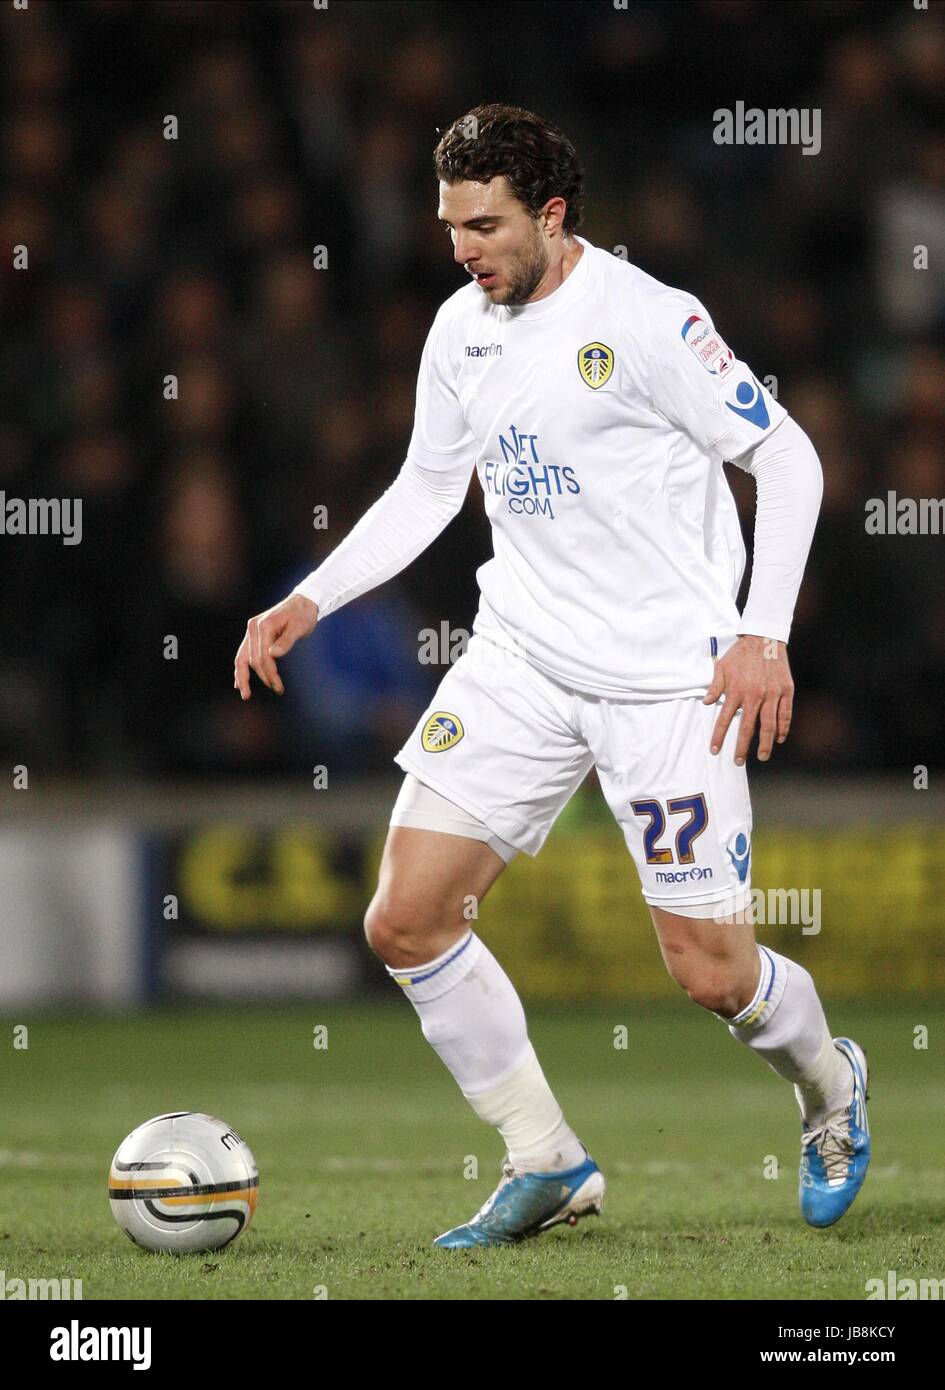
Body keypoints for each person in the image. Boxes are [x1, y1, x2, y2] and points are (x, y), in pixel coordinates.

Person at [233, 103, 870, 1249]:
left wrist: (761, 633)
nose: (462, 247)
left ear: (554, 214)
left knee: (715, 975)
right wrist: (310, 598)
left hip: (669, 680)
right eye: (449, 225)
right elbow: (430, 489)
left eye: (483, 223)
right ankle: (546, 1158)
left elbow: (788, 454)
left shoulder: (647, 322)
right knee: (407, 919)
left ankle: (831, 1089)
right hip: (520, 657)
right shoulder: (459, 328)